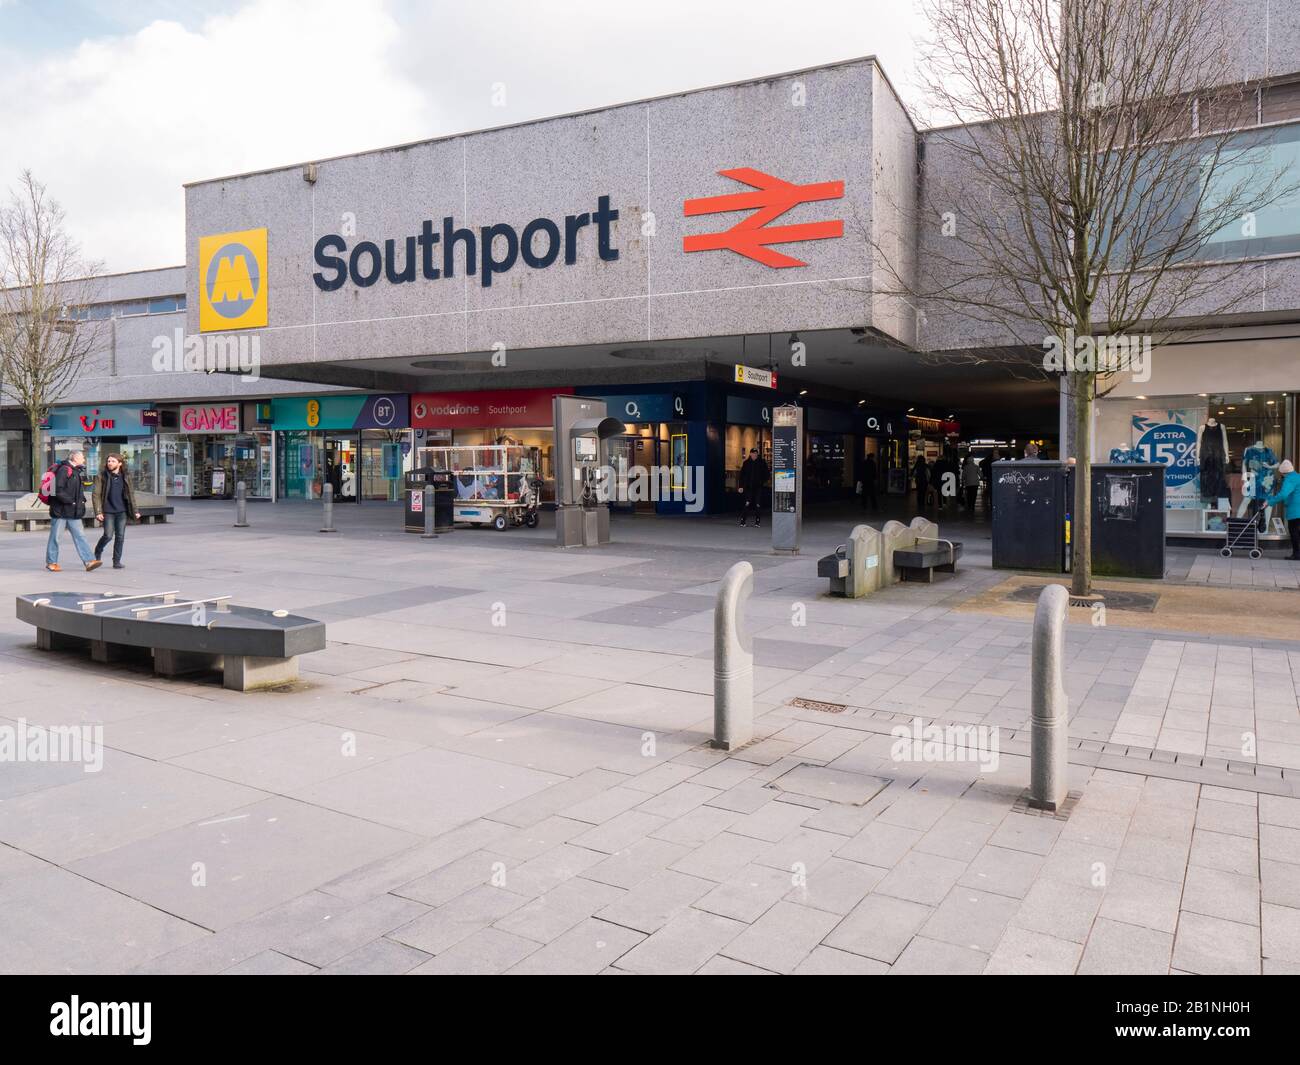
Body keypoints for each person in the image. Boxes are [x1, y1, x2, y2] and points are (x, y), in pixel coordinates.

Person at [45, 449, 101, 572]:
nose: (84, 459)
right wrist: (71, 501)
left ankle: (89, 561)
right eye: (82, 457)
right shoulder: (65, 470)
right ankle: (51, 562)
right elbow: (57, 490)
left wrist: (79, 501)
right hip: (61, 511)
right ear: (75, 458)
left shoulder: (75, 471)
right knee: (56, 537)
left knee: (80, 536)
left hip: (73, 511)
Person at [93, 453, 141, 570]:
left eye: (113, 461)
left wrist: (135, 510)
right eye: (109, 461)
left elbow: (131, 495)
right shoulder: (102, 476)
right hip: (108, 511)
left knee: (120, 537)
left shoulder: (126, 476)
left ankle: (117, 561)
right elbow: (96, 495)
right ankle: (97, 552)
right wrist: (98, 511)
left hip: (122, 511)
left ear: (119, 463)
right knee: (108, 536)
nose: (110, 463)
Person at [1265, 459, 1300, 560]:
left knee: (1294, 532)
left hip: (1295, 510)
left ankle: (1297, 554)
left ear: (1284, 472)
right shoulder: (1298, 477)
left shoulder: (1289, 479)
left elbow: (1283, 494)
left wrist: (1269, 501)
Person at [738, 446, 768, 527]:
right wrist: (741, 486)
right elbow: (742, 476)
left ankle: (757, 522)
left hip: (758, 488)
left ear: (757, 454)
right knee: (746, 503)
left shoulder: (762, 462)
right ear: (750, 454)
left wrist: (762, 482)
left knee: (758, 504)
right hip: (748, 487)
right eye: (753, 453)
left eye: (756, 453)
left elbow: (767, 474)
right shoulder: (746, 463)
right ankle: (743, 521)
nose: (754, 455)